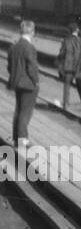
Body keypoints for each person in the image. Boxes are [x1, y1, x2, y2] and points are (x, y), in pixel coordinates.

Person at [6, 20, 40, 149]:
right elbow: (32, 67)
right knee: (25, 113)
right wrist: (35, 80)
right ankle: (22, 140)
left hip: (17, 83)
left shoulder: (13, 46)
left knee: (18, 110)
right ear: (32, 32)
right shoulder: (29, 47)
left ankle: (16, 138)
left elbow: (10, 67)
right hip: (28, 84)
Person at [57, 20, 81, 112]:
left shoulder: (65, 40)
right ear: (77, 30)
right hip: (79, 68)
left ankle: (66, 105)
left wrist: (59, 64)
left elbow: (61, 54)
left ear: (69, 31)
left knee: (67, 86)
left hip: (68, 67)